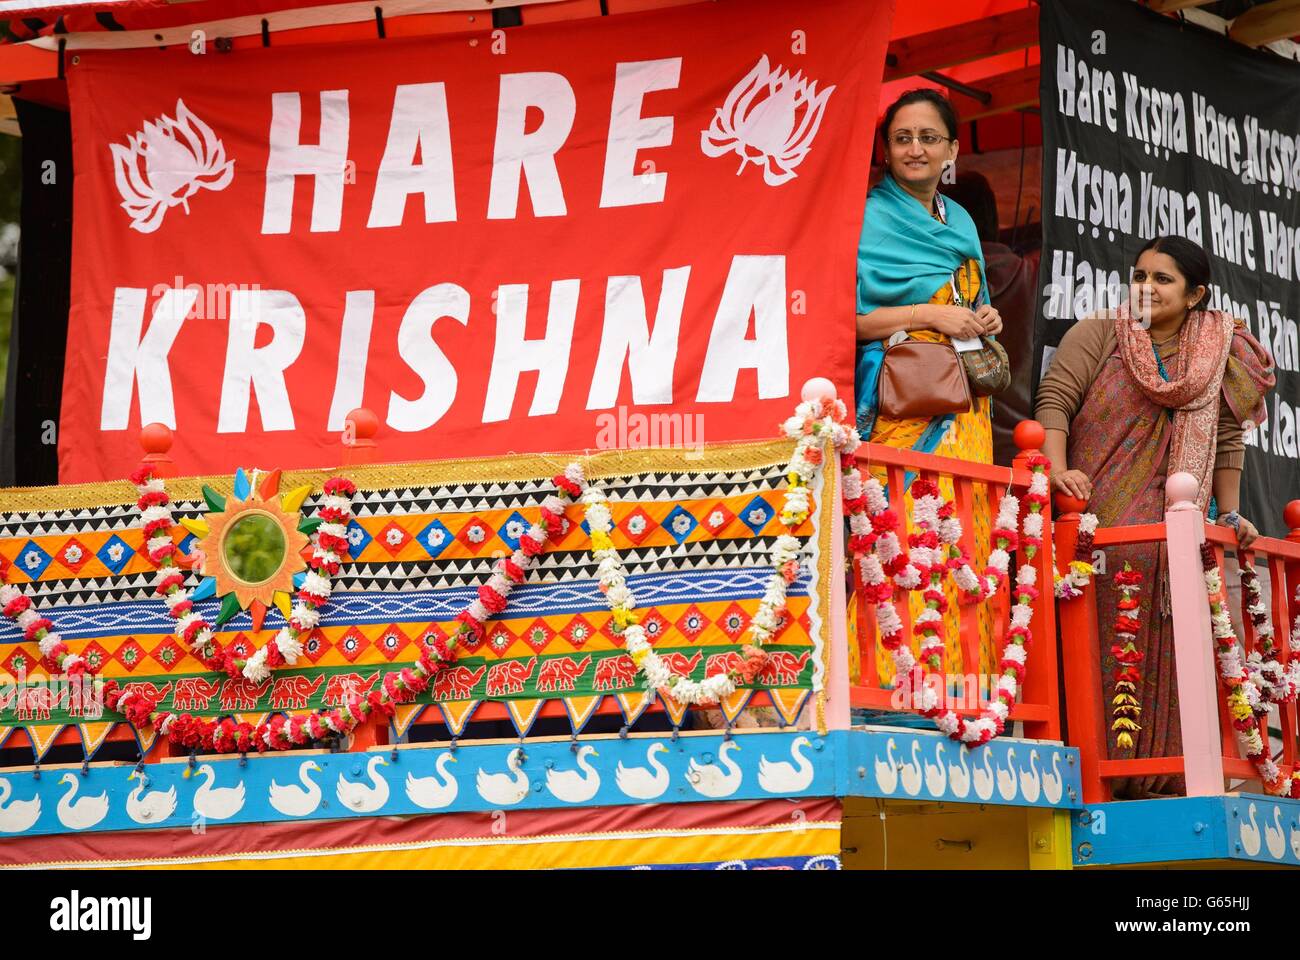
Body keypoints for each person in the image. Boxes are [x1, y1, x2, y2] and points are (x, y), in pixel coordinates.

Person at [1035, 235, 1275, 797]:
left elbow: (1228, 434)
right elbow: (1054, 402)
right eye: (1139, 276)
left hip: (1172, 548)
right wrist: (1057, 471)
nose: (1145, 288)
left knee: (1177, 652)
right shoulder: (1100, 334)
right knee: (1096, 649)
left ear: (1196, 295)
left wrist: (1233, 511)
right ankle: (1094, 772)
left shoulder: (1221, 350)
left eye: (1162, 279)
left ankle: (1167, 775)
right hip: (1099, 532)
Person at [854, 89, 1002, 684]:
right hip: (907, 407)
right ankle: (889, 686)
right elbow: (850, 319)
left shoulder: (960, 219)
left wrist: (983, 318)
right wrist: (927, 314)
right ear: (886, 152)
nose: (915, 149)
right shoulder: (867, 216)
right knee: (906, 544)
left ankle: (968, 684)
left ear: (952, 150)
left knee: (967, 542)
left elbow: (972, 300)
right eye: (902, 138)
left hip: (968, 408)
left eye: (928, 138)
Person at [941, 171, 1040, 467]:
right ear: (994, 218)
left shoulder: (934, 281)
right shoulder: (1034, 276)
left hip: (956, 440)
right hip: (1026, 439)